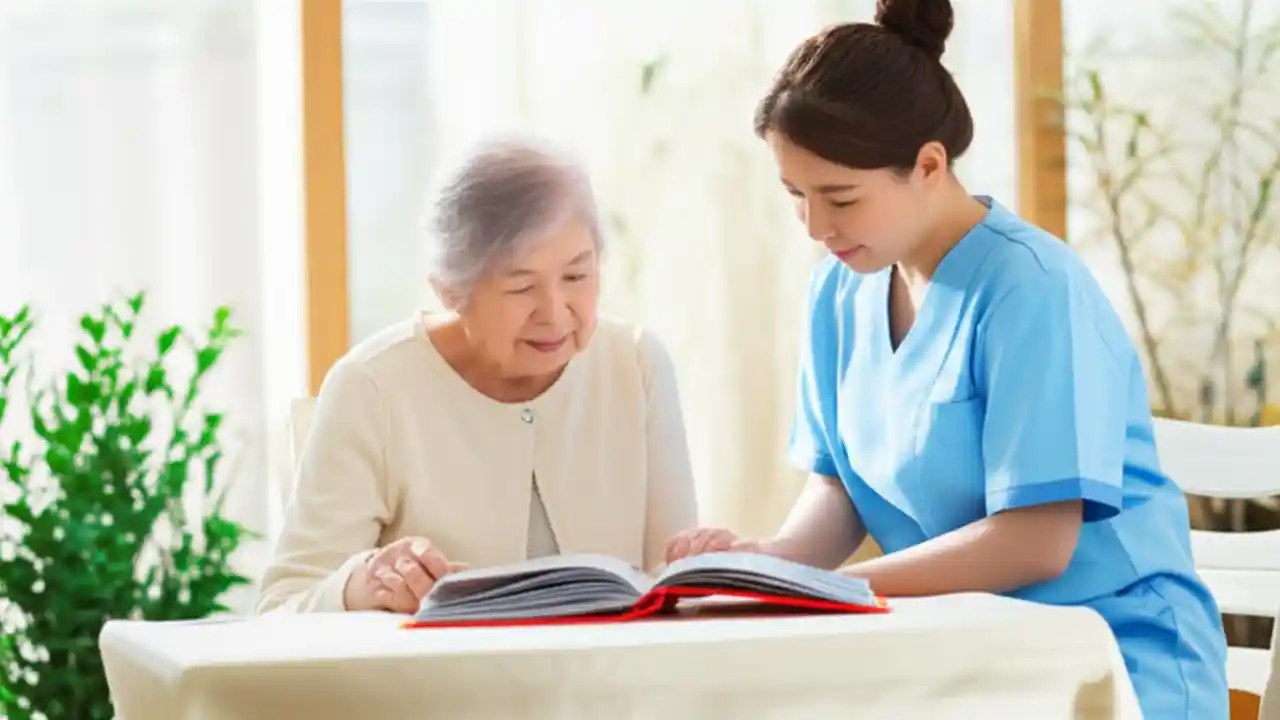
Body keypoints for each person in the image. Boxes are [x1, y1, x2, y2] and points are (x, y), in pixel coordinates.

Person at [664, 1, 1228, 717]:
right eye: (796, 196)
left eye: (839, 197)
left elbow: (1036, 542)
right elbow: (840, 489)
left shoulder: (1032, 287)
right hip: (961, 651)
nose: (815, 226)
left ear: (929, 165)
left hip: (1106, 657)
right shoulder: (842, 288)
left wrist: (832, 593)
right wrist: (767, 566)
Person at [257, 136, 697, 615]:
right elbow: (281, 606)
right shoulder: (372, 388)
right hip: (440, 688)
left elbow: (673, 581)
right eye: (521, 286)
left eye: (577, 276)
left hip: (610, 683)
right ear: (450, 290)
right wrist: (364, 586)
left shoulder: (636, 365)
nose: (554, 314)